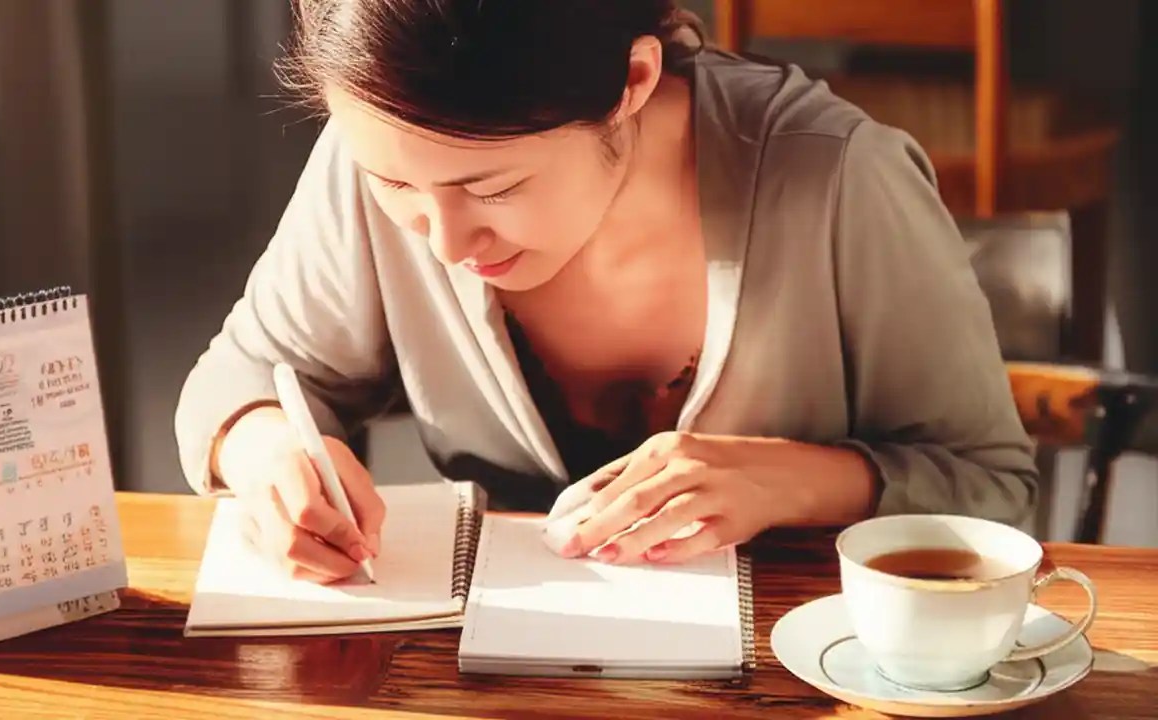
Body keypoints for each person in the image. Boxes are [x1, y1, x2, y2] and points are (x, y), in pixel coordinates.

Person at [174, 0, 1038, 583]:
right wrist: (262, 454)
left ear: (632, 83)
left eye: (495, 188)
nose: (441, 242)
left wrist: (789, 482)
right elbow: (246, 373)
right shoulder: (384, 159)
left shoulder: (840, 178)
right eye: (394, 188)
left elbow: (994, 488)